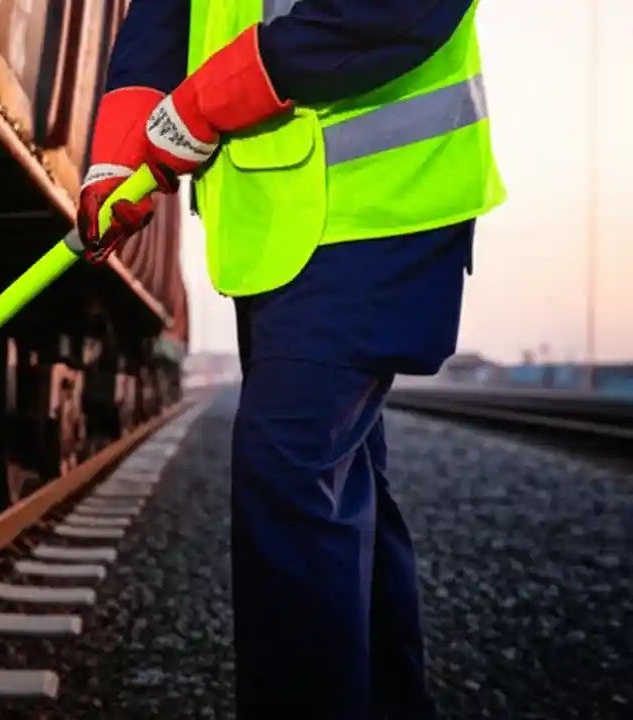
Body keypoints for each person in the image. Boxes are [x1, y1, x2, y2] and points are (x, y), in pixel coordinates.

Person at [75, 0, 505, 717]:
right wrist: (121, 147)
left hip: (380, 204)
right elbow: (165, 14)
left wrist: (209, 99)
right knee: (333, 482)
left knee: (291, 474)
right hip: (275, 224)